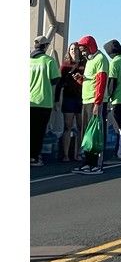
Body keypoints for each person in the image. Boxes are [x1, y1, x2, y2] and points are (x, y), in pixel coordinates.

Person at [74, 35, 109, 174]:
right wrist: (81, 80)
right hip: (86, 100)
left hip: (95, 102)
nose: (83, 52)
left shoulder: (100, 59)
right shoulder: (90, 60)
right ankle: (87, 162)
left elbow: (101, 81)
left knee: (96, 134)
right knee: (87, 134)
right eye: (81, 50)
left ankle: (96, 164)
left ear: (90, 47)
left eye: (84, 49)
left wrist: (97, 103)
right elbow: (92, 81)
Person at [30, 35, 61, 166]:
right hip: (44, 100)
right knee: (39, 131)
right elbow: (55, 80)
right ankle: (34, 157)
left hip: (29, 100)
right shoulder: (48, 61)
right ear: (46, 46)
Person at [56, 42, 85, 162]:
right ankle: (66, 155)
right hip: (68, 98)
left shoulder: (85, 64)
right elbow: (59, 84)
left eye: (76, 49)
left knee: (80, 126)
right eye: (72, 49)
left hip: (81, 98)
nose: (74, 51)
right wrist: (56, 100)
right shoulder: (66, 66)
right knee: (67, 126)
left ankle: (78, 153)